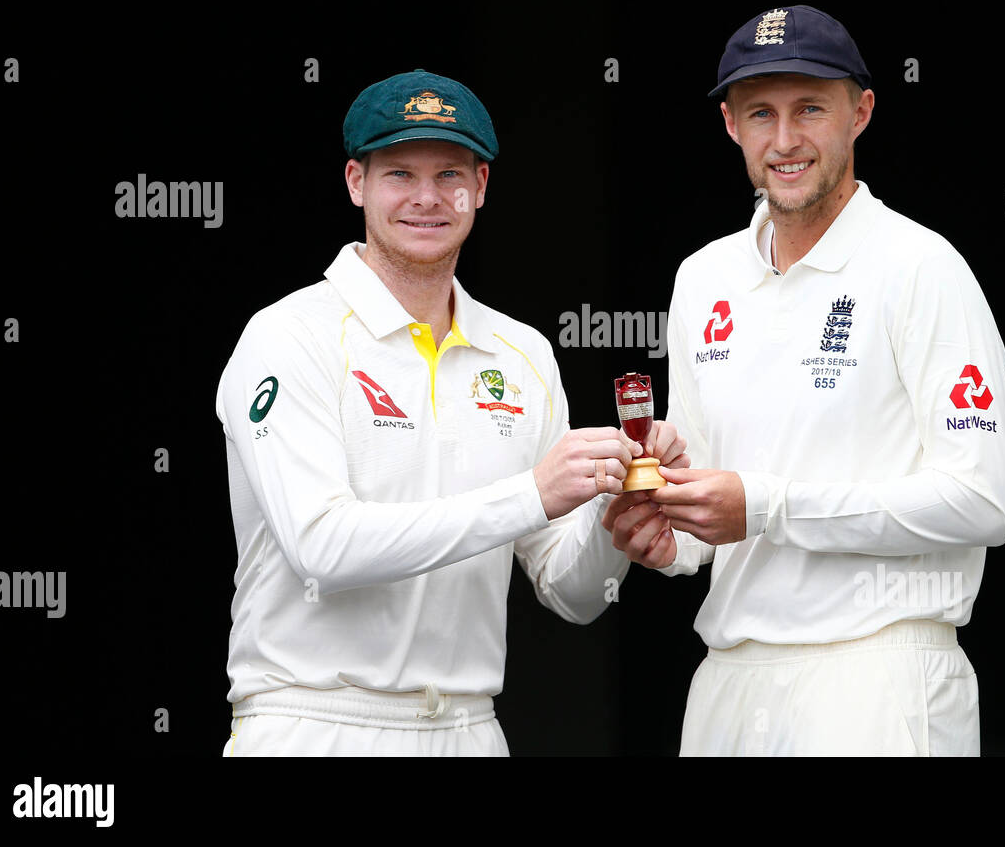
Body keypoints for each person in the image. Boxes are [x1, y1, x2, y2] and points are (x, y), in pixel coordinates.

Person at [215, 69, 686, 756]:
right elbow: (322, 547)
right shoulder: (288, 336)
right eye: (400, 172)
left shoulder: (521, 352)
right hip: (313, 722)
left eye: (451, 175)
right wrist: (532, 493)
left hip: (469, 728)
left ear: (482, 187)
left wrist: (617, 519)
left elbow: (571, 591)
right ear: (356, 183)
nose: (428, 198)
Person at [602, 6, 1005, 756]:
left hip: (876, 676)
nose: (786, 140)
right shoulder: (703, 278)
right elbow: (711, 498)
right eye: (761, 112)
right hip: (730, 678)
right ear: (731, 124)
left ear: (860, 113)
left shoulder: (920, 266)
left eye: (810, 109)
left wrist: (768, 505)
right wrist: (668, 536)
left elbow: (985, 500)